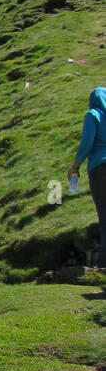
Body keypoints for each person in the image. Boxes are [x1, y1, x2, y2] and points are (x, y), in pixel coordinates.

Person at [71, 88, 106, 268]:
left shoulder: (93, 114)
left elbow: (86, 143)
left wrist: (75, 166)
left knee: (104, 213)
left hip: (100, 168)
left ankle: (103, 263)